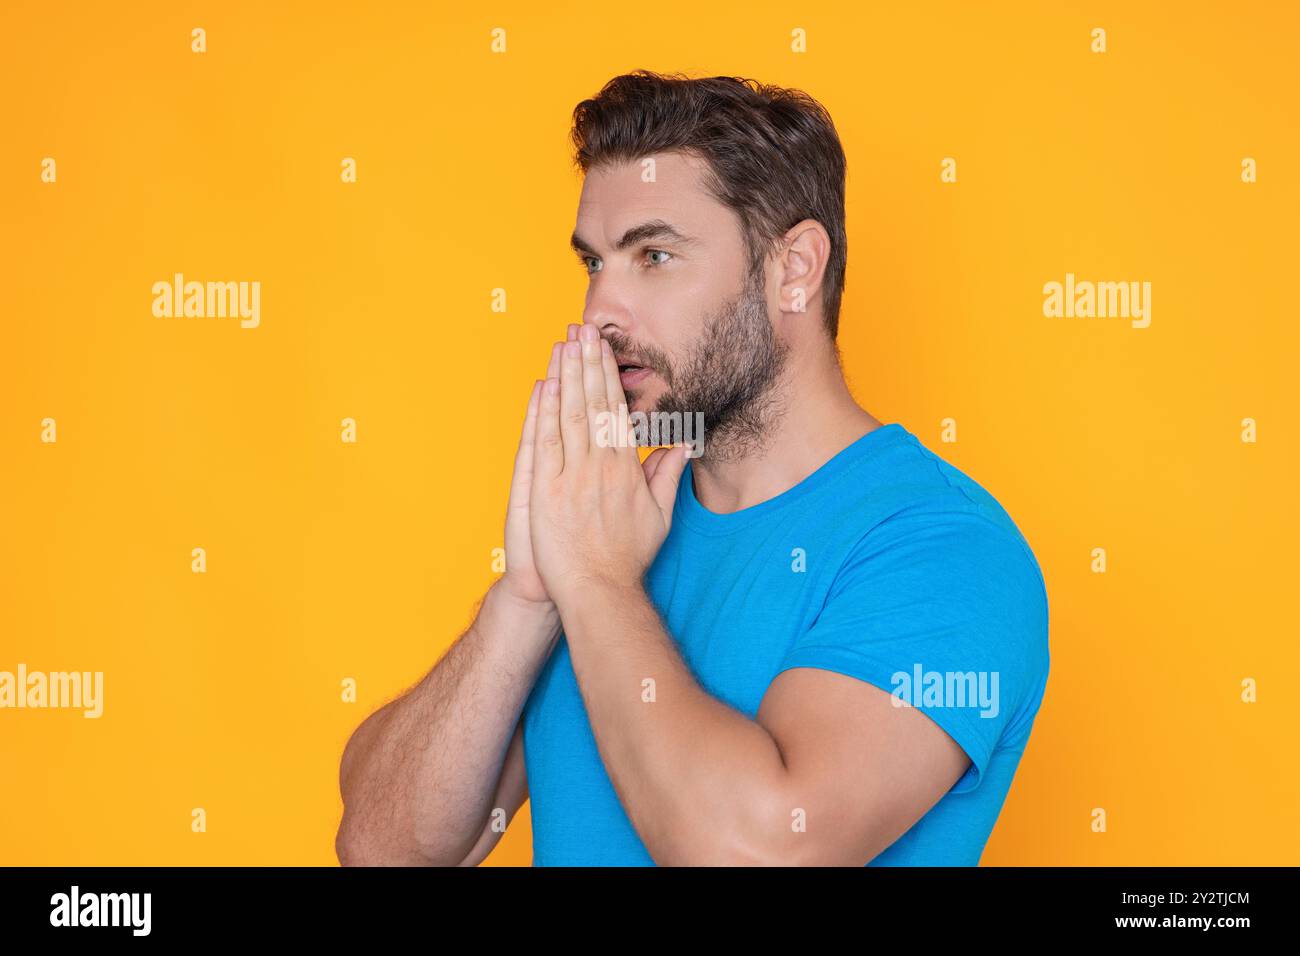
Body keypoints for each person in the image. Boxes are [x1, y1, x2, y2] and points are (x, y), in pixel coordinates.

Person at [335, 70, 1050, 866]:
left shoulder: (945, 550)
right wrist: (530, 594)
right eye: (594, 264)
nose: (600, 310)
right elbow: (383, 852)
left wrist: (599, 585)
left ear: (795, 270)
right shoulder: (606, 527)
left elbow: (765, 849)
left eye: (655, 254)